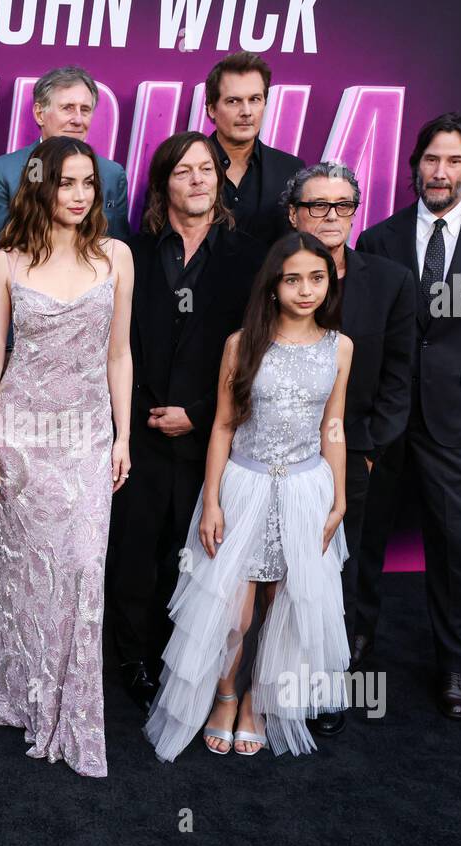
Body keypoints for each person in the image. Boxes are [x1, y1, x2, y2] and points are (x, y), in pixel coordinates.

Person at [145, 231, 353, 761]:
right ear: (273, 285)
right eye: (293, 279)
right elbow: (221, 426)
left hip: (308, 488)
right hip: (244, 484)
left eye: (316, 278)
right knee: (234, 614)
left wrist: (340, 499)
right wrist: (212, 499)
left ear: (329, 283)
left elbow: (334, 426)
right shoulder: (242, 344)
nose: (305, 290)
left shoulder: (339, 347)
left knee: (284, 605)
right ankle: (225, 695)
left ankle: (259, 703)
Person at [355, 113, 461, 719]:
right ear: (415, 165)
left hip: (457, 420)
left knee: (454, 546)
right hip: (382, 416)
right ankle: (355, 646)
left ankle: (453, 663)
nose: (440, 171)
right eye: (431, 159)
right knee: (361, 537)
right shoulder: (378, 238)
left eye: (454, 161)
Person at [0, 135, 134, 777]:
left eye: (88, 184)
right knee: (25, 576)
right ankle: (26, 698)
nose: (78, 196)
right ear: (41, 186)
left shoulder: (117, 257)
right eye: (66, 183)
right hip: (22, 436)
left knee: (81, 566)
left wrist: (125, 435)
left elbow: (119, 354)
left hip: (89, 435)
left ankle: (75, 710)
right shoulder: (6, 262)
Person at [105, 132, 261, 714]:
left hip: (210, 435)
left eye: (207, 169)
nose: (197, 178)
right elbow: (112, 341)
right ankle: (132, 658)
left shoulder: (248, 258)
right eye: (183, 170)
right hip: (137, 429)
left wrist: (196, 414)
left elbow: (254, 352)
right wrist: (141, 413)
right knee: (134, 553)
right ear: (162, 183)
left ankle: (182, 663)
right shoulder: (131, 251)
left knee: (192, 553)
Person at [282, 162, 417, 736]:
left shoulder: (390, 280)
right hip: (280, 448)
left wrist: (366, 450)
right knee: (284, 568)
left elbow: (399, 374)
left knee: (345, 569)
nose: (331, 216)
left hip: (354, 448)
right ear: (294, 214)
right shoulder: (274, 274)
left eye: (343, 205)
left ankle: (330, 684)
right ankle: (276, 677)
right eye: (318, 206)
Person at [0, 66, 130, 260]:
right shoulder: (6, 171)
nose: (77, 119)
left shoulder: (111, 173)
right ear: (40, 114)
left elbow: (116, 252)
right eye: (67, 108)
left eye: (85, 110)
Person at [203, 52, 305, 261]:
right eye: (233, 101)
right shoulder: (182, 168)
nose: (247, 111)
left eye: (255, 99)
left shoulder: (291, 170)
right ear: (212, 109)